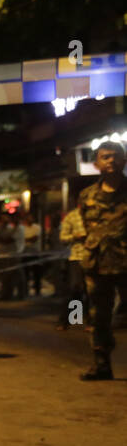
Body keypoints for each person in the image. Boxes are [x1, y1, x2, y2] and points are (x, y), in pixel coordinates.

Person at [77, 141, 127, 380]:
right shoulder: (86, 196)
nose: (111, 160)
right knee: (98, 316)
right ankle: (101, 364)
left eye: (116, 156)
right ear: (97, 163)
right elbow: (87, 227)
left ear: (124, 160)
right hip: (97, 264)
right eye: (105, 157)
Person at [56, 205, 89, 331]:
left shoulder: (98, 214)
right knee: (75, 288)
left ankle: (89, 321)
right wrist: (76, 236)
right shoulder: (72, 216)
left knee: (91, 290)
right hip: (77, 257)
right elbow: (63, 238)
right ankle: (67, 319)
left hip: (94, 257)